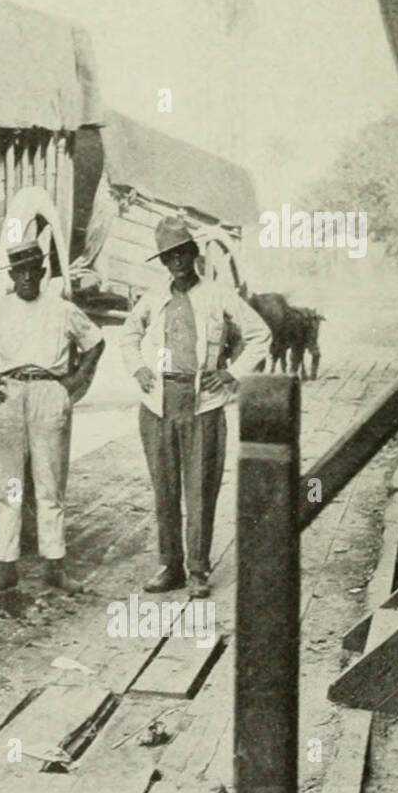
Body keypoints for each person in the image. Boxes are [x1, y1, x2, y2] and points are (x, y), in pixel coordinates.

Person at [117, 217, 270, 599]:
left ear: (194, 254)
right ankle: (170, 565)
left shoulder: (218, 295)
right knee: (164, 489)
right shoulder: (153, 298)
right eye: (169, 257)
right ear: (163, 262)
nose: (176, 262)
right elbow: (128, 337)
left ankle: (198, 569)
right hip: (158, 404)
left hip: (202, 404)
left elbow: (259, 335)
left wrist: (232, 374)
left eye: (182, 253)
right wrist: (138, 368)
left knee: (201, 489)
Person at [0, 241, 106, 595]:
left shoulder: (62, 309)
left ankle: (54, 565)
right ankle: (5, 566)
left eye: (34, 270)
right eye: (20, 271)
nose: (27, 277)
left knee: (50, 485)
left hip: (49, 391)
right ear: (12, 274)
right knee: (8, 488)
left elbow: (96, 342)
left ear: (43, 273)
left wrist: (75, 381)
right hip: (8, 394)